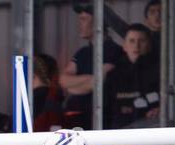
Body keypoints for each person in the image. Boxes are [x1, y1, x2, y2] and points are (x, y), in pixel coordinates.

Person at [60, 3, 119, 131]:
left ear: (99, 22)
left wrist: (73, 86)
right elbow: (63, 79)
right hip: (77, 122)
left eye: (84, 19)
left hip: (101, 121)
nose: (80, 24)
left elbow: (96, 84)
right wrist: (89, 79)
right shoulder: (82, 52)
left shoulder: (113, 50)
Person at [103, 24, 159, 128]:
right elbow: (105, 112)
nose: (136, 46)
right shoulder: (113, 75)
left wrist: (161, 109)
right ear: (124, 46)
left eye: (142, 41)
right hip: (121, 135)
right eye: (132, 41)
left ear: (149, 45)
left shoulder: (160, 74)